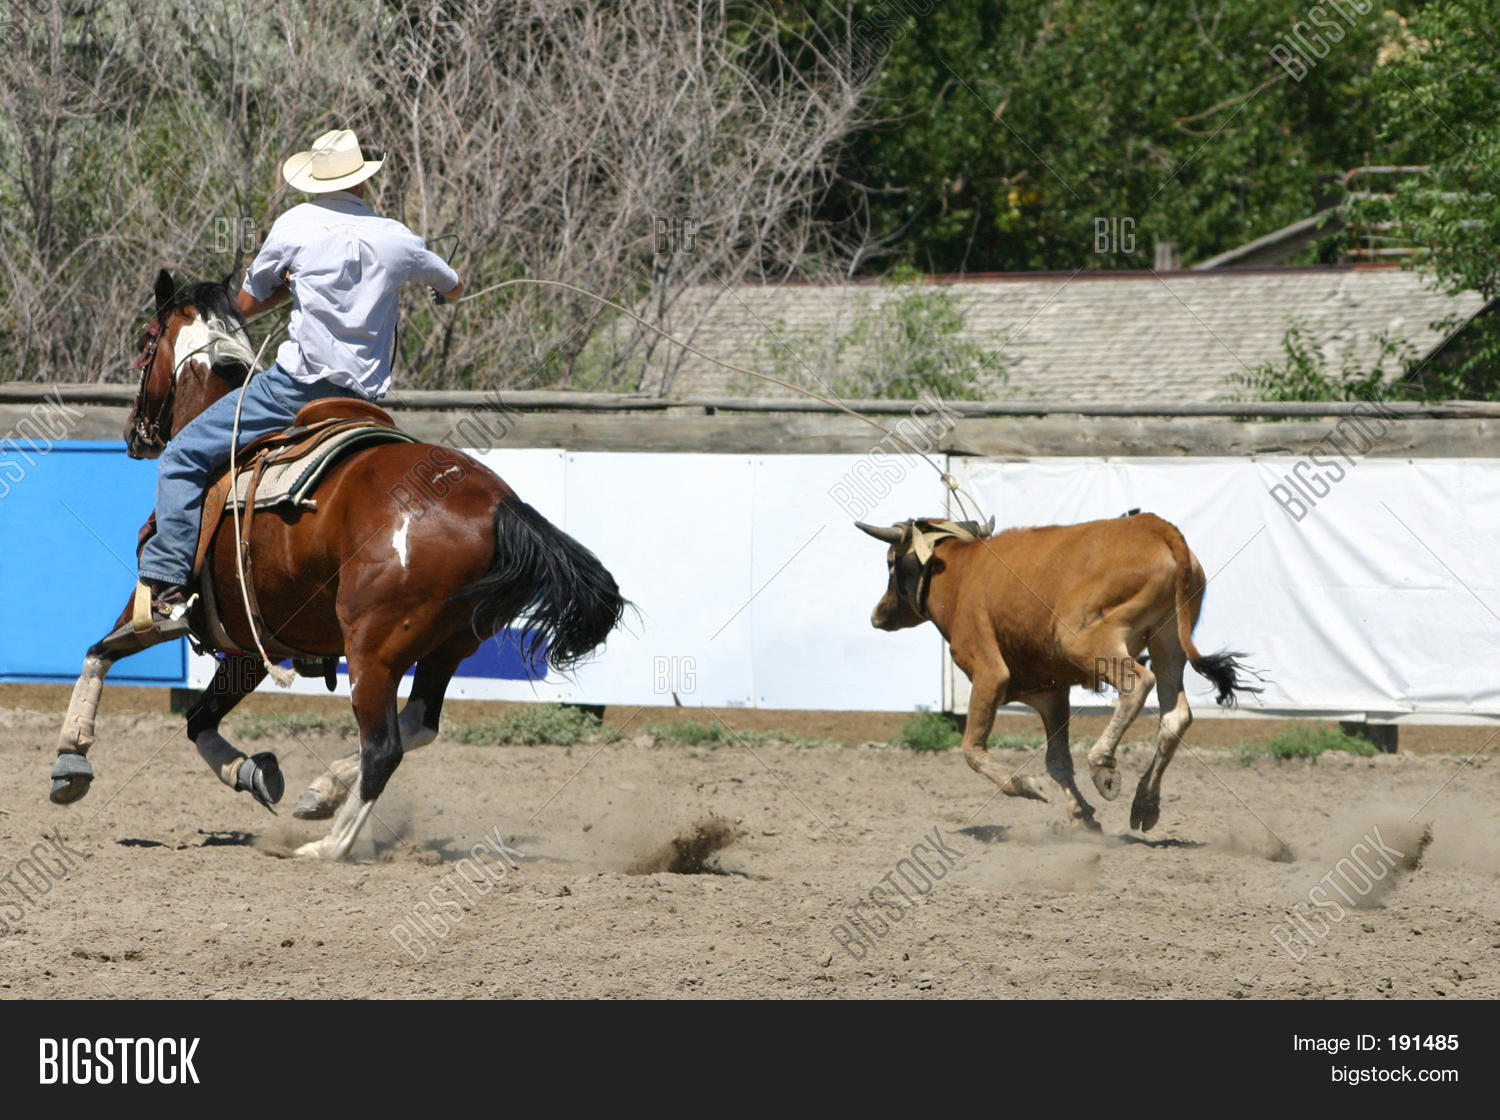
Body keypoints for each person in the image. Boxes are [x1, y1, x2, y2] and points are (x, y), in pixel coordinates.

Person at [137, 129, 464, 622]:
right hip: (365, 404)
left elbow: (244, 307)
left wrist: (293, 289)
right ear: (361, 182)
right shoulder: (399, 238)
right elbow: (455, 286)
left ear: (315, 179)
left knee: (181, 458)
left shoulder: (296, 224)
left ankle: (167, 587)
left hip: (293, 393)